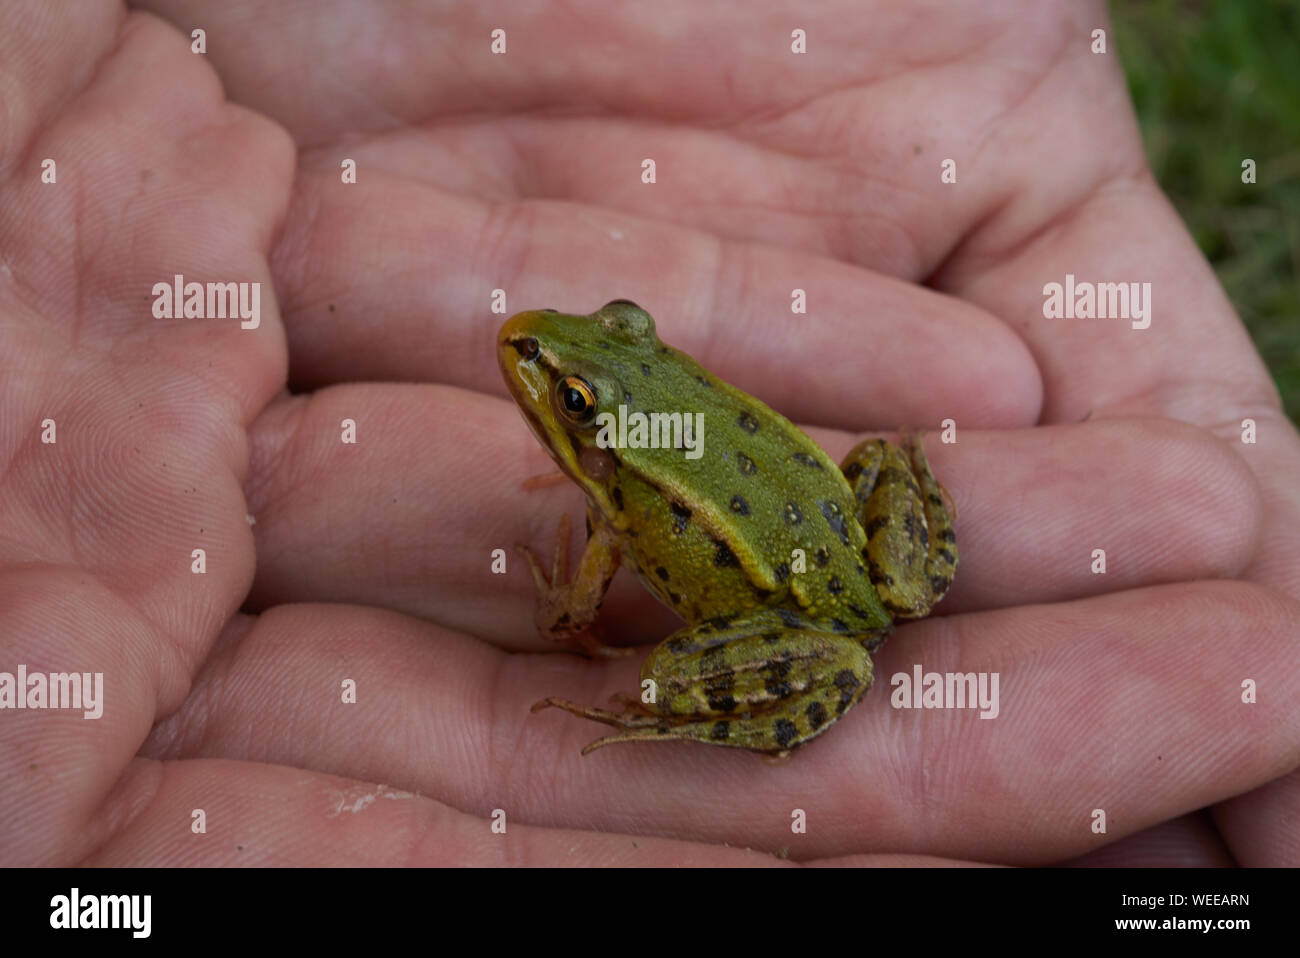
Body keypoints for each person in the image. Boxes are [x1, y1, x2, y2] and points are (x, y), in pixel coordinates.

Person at [1, 0, 1295, 866]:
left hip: (797, 605)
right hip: (844, 540)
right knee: (870, 487)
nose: (544, 370)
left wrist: (598, 629)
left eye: (577, 400)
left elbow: (584, 605)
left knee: (653, 680)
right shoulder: (634, 446)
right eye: (579, 393)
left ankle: (688, 715)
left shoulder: (621, 498)